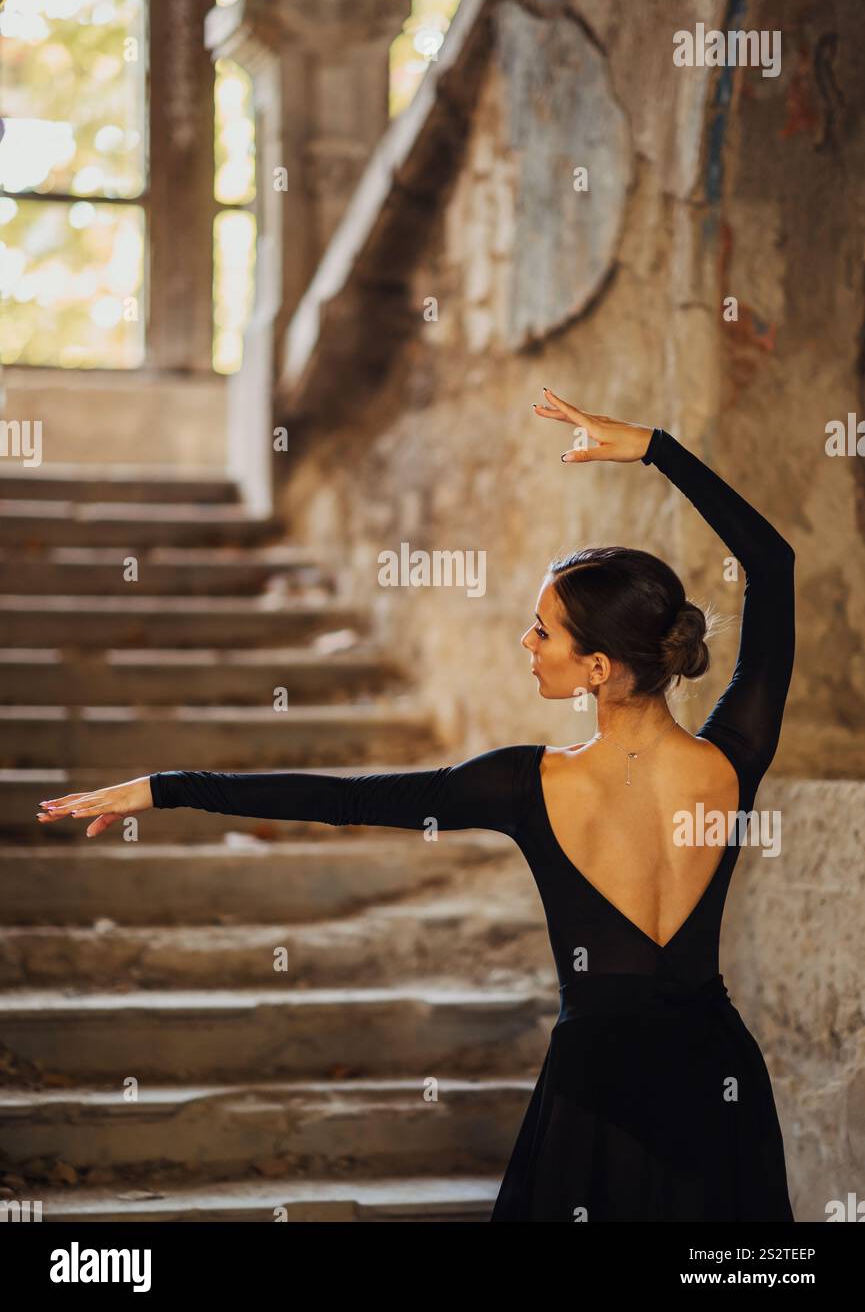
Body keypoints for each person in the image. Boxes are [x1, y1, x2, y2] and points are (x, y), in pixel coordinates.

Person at [37, 391, 796, 1222]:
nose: (524, 643)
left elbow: (348, 801)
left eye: (542, 632)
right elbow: (772, 565)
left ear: (598, 669)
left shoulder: (525, 783)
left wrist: (167, 788)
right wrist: (656, 448)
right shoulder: (731, 759)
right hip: (719, 1085)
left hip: (597, 1094)